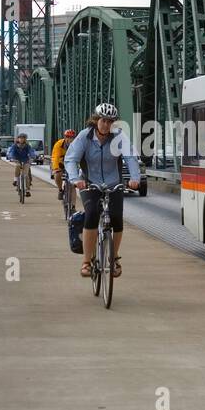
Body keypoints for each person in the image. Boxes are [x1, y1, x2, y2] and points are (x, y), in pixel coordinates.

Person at [65, 102, 141, 279]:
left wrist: (135, 179)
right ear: (96, 120)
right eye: (103, 120)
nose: (106, 124)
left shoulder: (119, 137)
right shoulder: (85, 136)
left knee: (116, 218)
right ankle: (86, 262)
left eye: (110, 121)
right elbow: (70, 159)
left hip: (114, 182)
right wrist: (76, 179)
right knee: (91, 214)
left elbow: (130, 157)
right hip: (90, 183)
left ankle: (114, 258)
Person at [50, 128, 77, 201]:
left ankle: (73, 207)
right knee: (57, 175)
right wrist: (56, 168)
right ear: (64, 137)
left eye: (72, 137)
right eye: (67, 137)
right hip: (61, 162)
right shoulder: (59, 144)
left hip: (72, 163)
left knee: (72, 185)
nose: (69, 139)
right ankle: (60, 190)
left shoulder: (78, 145)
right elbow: (55, 157)